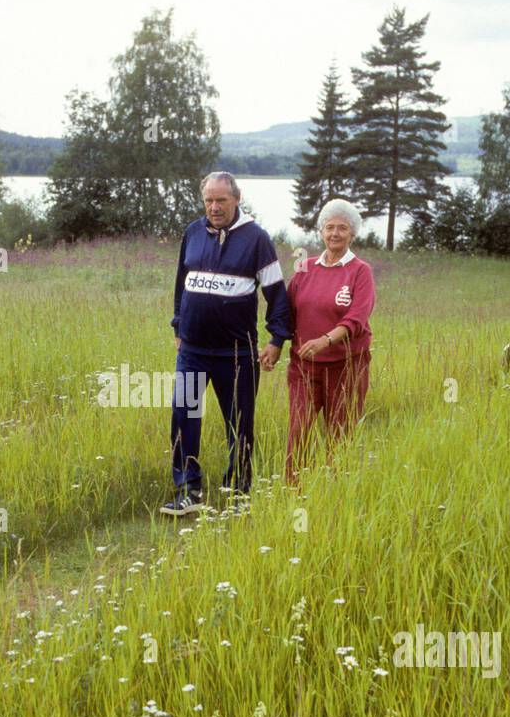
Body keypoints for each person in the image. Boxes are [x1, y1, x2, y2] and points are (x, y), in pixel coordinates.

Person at [161, 171, 291, 516]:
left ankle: (238, 494)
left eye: (221, 200)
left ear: (236, 199)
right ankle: (188, 491)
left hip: (236, 354)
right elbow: (181, 285)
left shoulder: (257, 239)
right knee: (184, 416)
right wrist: (178, 325)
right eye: (208, 200)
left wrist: (277, 339)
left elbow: (277, 294)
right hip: (192, 351)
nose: (214, 207)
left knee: (239, 423)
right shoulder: (193, 233)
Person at [285, 198, 376, 483]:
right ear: (321, 231)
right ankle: (293, 491)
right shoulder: (305, 268)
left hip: (346, 367)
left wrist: (326, 340)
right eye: (329, 227)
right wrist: (274, 345)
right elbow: (286, 313)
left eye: (342, 228)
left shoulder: (361, 271)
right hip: (304, 368)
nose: (335, 233)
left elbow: (356, 319)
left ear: (352, 234)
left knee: (340, 436)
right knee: (299, 431)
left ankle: (334, 493)